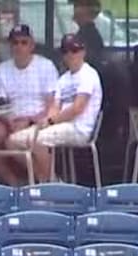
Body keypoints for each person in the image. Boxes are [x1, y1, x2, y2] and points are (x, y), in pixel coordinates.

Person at [0, 25, 58, 186]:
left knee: (27, 140)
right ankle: (14, 184)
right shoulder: (1, 70)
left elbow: (51, 104)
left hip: (38, 120)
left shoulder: (46, 66)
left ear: (32, 45)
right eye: (15, 43)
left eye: (24, 42)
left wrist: (30, 121)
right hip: (10, 120)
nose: (19, 46)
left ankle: (45, 182)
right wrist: (10, 122)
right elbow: (1, 104)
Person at [29, 34, 103, 182]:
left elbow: (77, 109)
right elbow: (55, 106)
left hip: (79, 129)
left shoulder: (89, 75)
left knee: (35, 140)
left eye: (74, 50)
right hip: (61, 126)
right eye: (66, 51)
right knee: (15, 141)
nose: (70, 55)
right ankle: (44, 181)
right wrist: (46, 121)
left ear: (83, 52)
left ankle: (51, 185)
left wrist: (50, 121)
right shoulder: (63, 79)